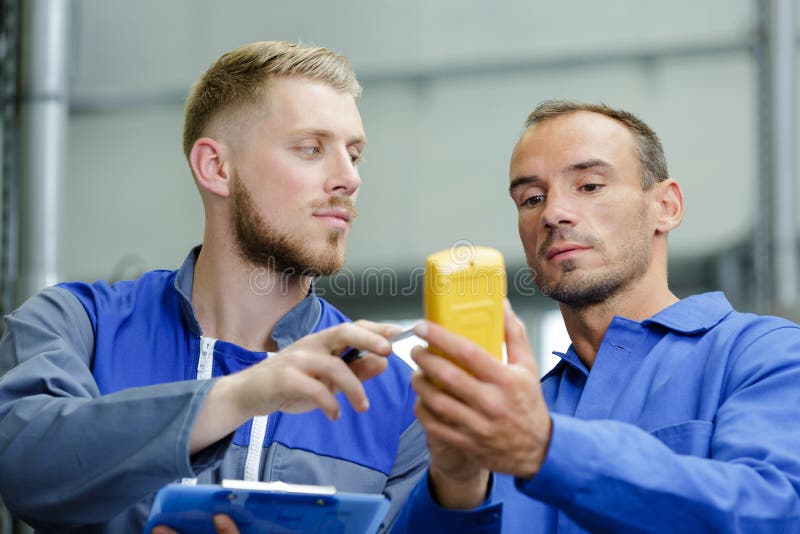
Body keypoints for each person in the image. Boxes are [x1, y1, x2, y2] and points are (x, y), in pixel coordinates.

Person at [0, 41, 427, 533]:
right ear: (216, 168)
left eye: (354, 155)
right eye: (312, 148)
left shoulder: (399, 401)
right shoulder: (77, 325)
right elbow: (22, 463)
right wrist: (243, 394)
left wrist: (471, 478)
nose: (349, 178)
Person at [394, 100, 800, 532]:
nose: (552, 214)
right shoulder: (511, 419)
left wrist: (546, 448)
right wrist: (456, 486)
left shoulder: (765, 356)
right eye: (532, 198)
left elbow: (775, 514)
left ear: (666, 206)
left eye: (589, 186)